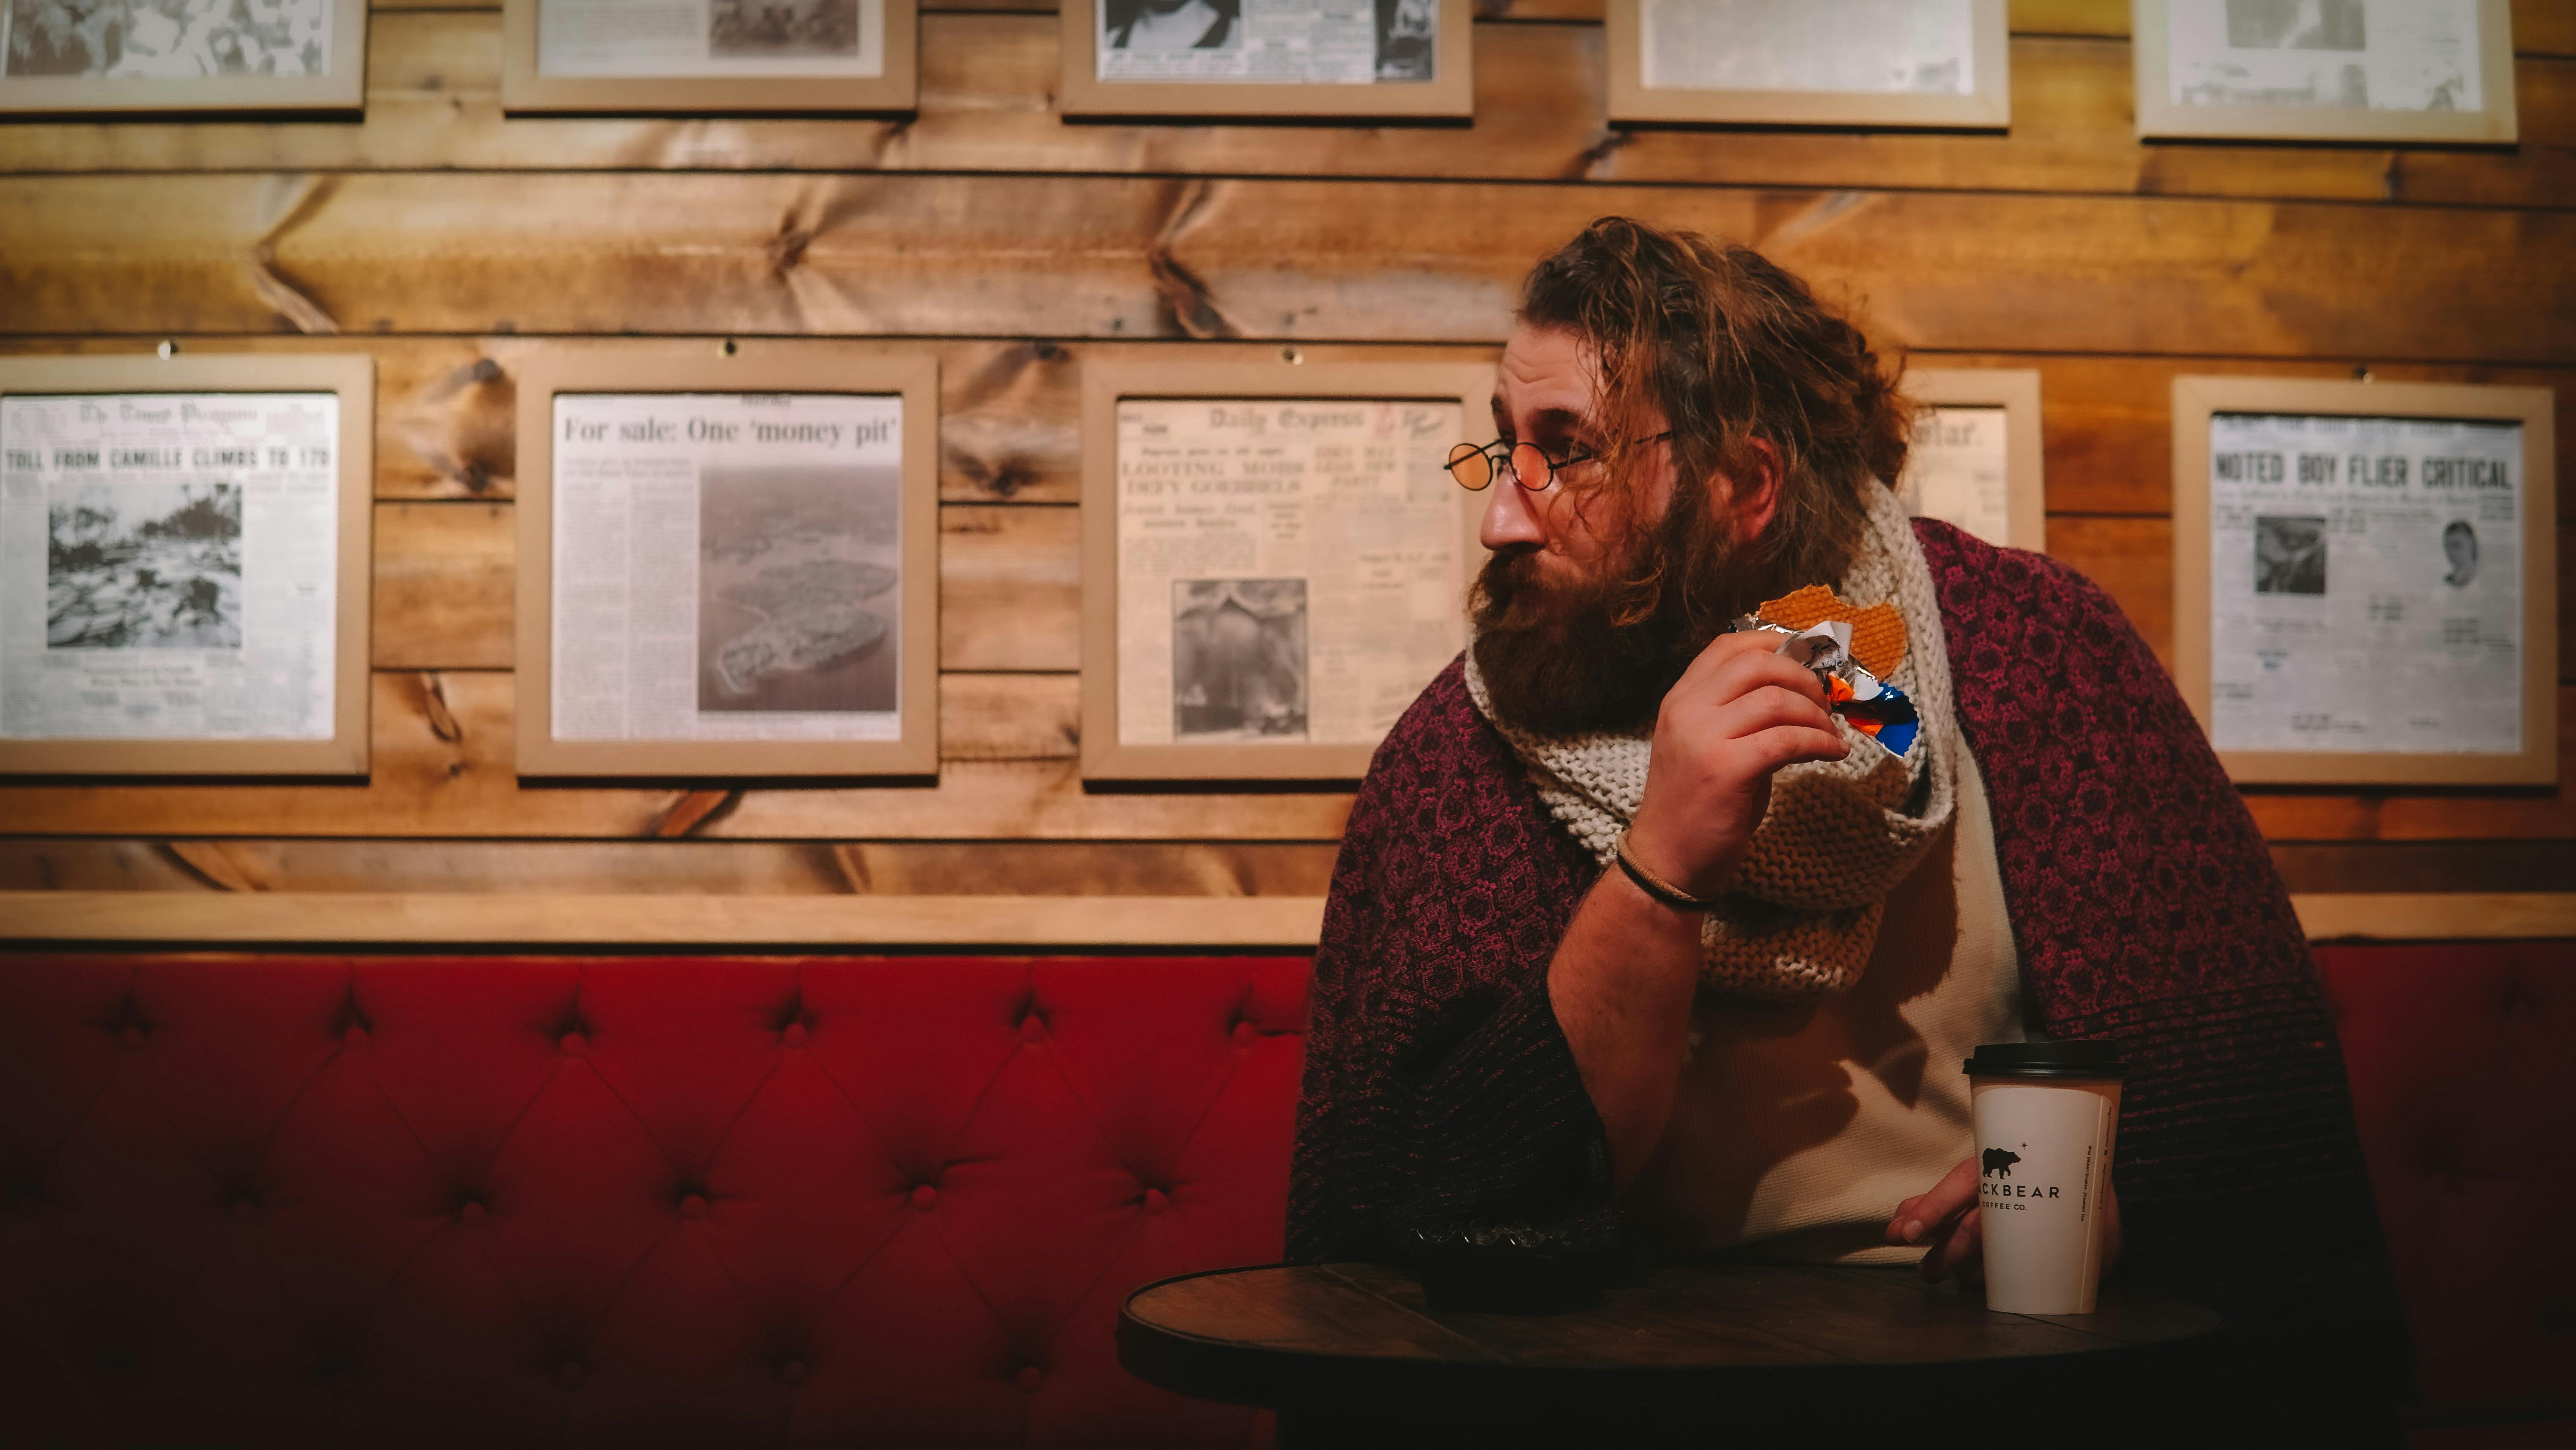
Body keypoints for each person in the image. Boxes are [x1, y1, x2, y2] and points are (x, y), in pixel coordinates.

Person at [1291, 218, 2410, 1432]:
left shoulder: (2031, 650)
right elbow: (1433, 1216)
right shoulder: (1463, 751)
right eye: (1505, 448)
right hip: (1627, 1387)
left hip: (2018, 1377)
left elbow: (2244, 1120)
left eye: (1567, 453)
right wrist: (1659, 864)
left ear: (1745, 486)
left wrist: (2117, 1194)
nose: (1501, 520)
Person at [2443, 518, 2479, 587]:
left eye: (2457, 545)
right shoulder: (2448, 580)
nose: (2451, 552)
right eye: (2448, 546)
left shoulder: (2480, 576)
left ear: (2472, 545)